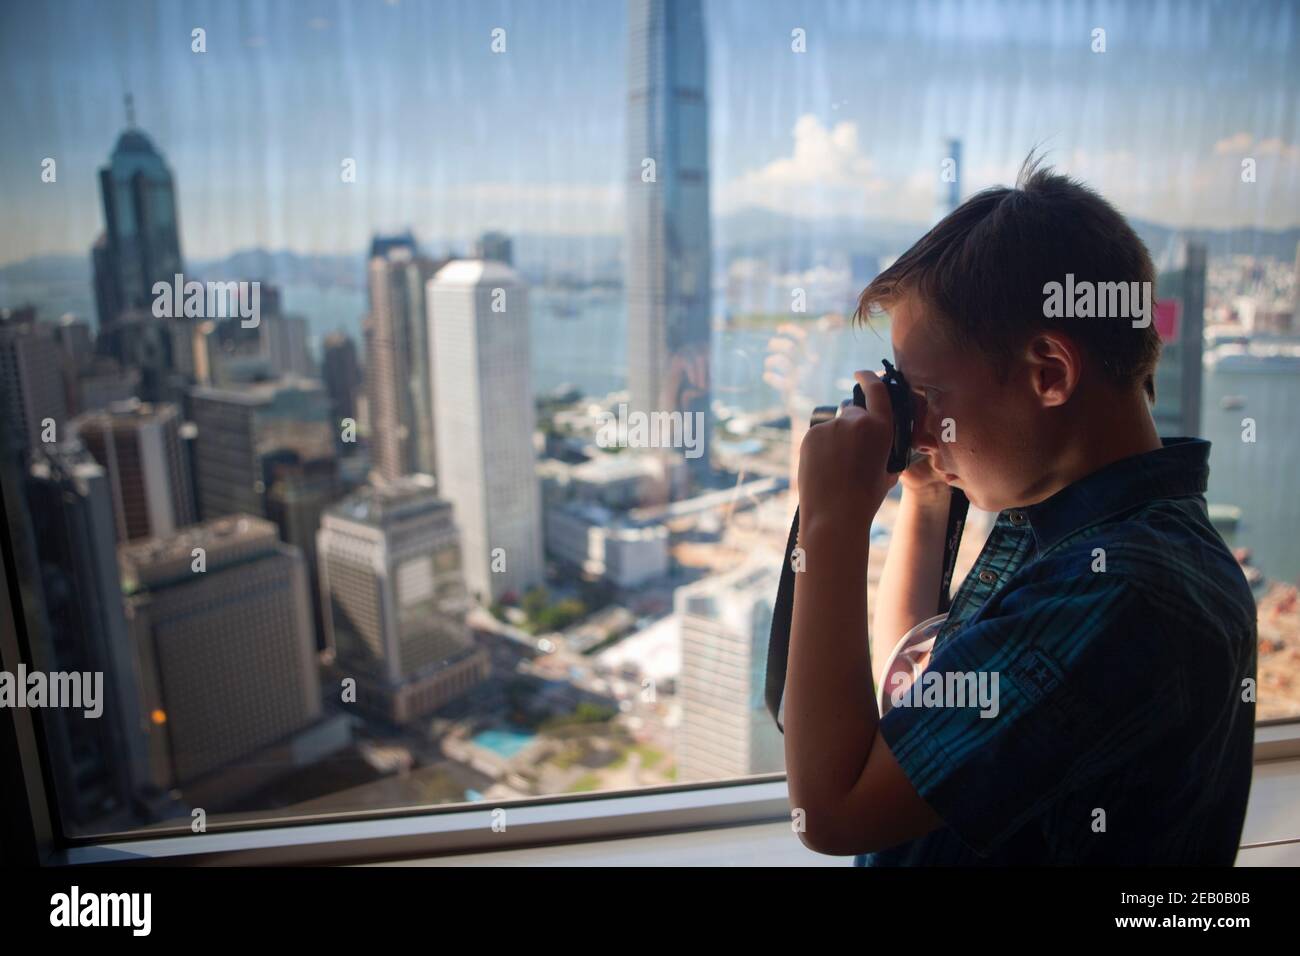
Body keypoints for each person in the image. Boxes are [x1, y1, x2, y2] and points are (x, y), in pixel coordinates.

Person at [782, 155, 1257, 864]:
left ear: (1049, 375)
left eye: (929, 396)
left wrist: (831, 521)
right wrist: (924, 491)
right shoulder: (1093, 537)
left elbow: (830, 810)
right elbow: (916, 688)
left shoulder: (1115, 593)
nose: (916, 426)